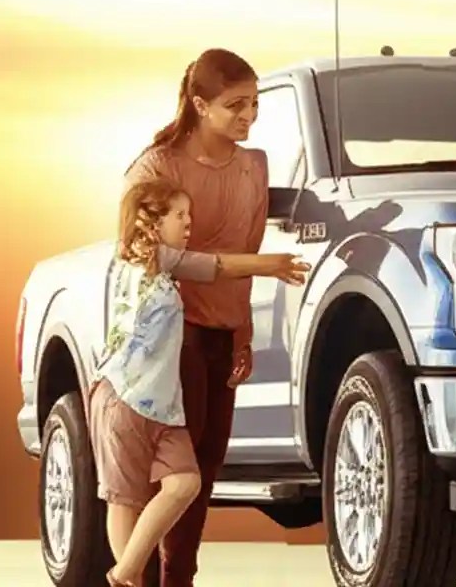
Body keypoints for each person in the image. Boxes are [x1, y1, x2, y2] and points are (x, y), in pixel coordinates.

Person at [92, 179, 308, 586]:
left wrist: (269, 269)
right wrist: (271, 264)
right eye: (180, 215)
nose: (189, 222)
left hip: (161, 405)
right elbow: (218, 266)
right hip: (122, 399)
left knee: (185, 483)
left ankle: (121, 574)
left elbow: (216, 269)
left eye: (189, 214)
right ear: (153, 223)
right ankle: (129, 579)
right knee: (125, 499)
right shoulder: (149, 261)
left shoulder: (160, 264)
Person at [122, 47, 280, 587]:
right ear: (198, 104)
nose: (248, 116)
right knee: (171, 471)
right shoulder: (158, 166)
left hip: (222, 331)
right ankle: (141, 574)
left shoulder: (253, 166)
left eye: (255, 105)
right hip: (172, 335)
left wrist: (243, 330)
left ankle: (178, 578)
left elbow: (249, 247)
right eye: (236, 105)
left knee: (207, 467)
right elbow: (140, 253)